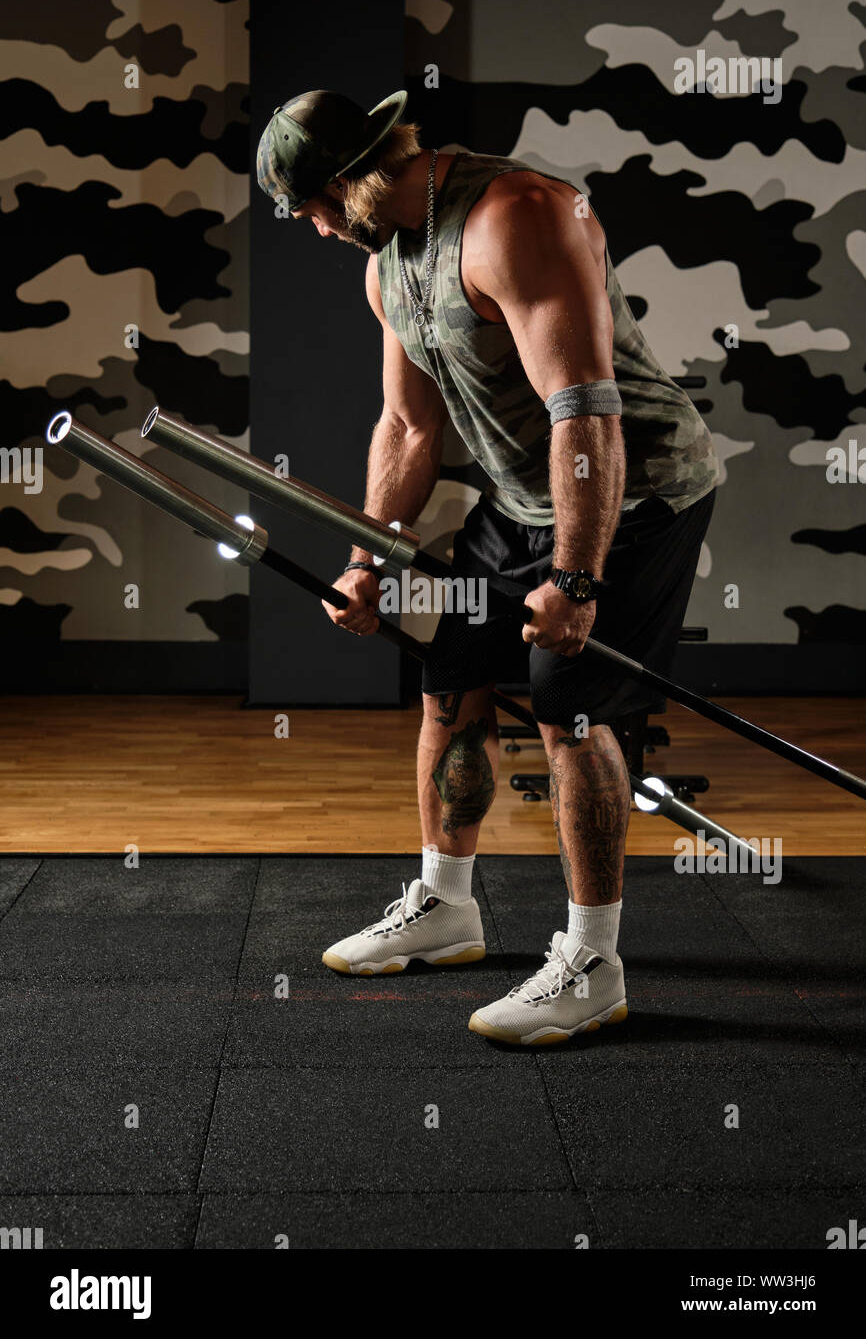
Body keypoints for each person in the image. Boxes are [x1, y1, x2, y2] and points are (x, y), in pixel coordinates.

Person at [256, 89, 718, 1045]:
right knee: (449, 673)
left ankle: (594, 961)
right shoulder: (389, 265)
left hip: (631, 493)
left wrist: (578, 580)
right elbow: (409, 426)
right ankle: (446, 905)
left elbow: (585, 411)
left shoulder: (518, 217)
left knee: (569, 707)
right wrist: (370, 561)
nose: (308, 225)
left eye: (311, 203)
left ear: (359, 175)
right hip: (518, 499)